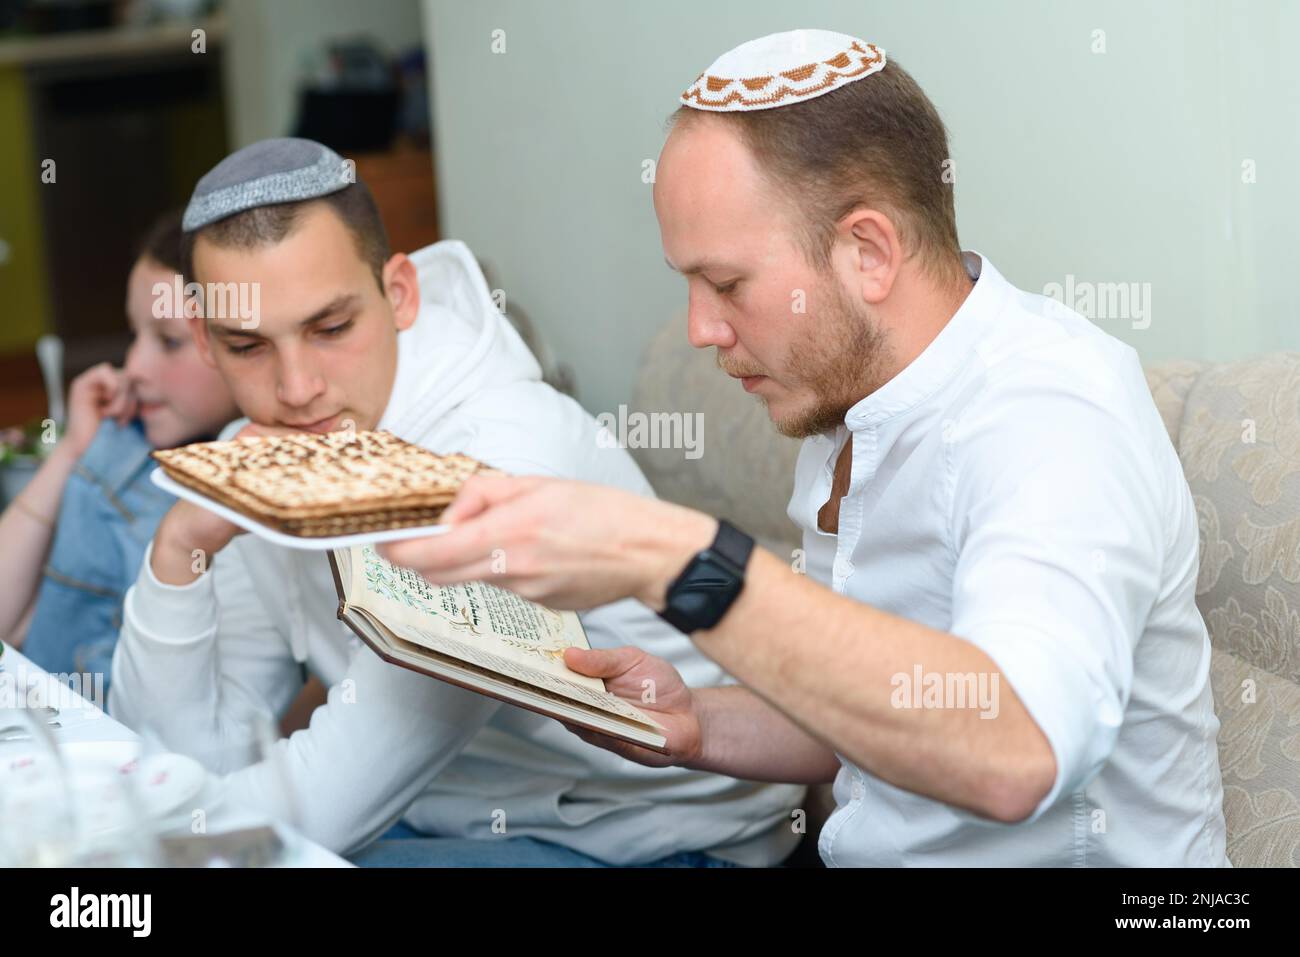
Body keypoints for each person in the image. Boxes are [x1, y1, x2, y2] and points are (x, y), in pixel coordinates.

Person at [378, 30, 1229, 867]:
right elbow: (882, 711)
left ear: (867, 251)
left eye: (727, 284)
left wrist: (671, 555)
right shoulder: (848, 402)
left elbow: (1019, 749)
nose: (701, 330)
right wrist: (698, 723)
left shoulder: (1050, 413)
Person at [108, 138, 802, 866]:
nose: (297, 388)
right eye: (248, 346)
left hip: (649, 838)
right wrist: (178, 545)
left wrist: (148, 845)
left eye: (332, 328)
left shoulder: (498, 456)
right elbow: (179, 761)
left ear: (400, 293)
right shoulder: (262, 446)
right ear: (205, 341)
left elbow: (327, 803)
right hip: (443, 819)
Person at [4, 211, 238, 690]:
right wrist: (72, 450)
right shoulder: (122, 444)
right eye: (135, 335)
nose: (134, 366)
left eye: (169, 342)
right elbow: (12, 621)